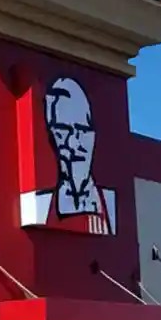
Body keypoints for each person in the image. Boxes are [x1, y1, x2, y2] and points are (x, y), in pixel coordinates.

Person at [23, 77, 117, 235]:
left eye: (83, 129)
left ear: (93, 136)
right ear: (50, 136)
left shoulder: (109, 205)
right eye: (62, 131)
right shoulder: (40, 206)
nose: (73, 144)